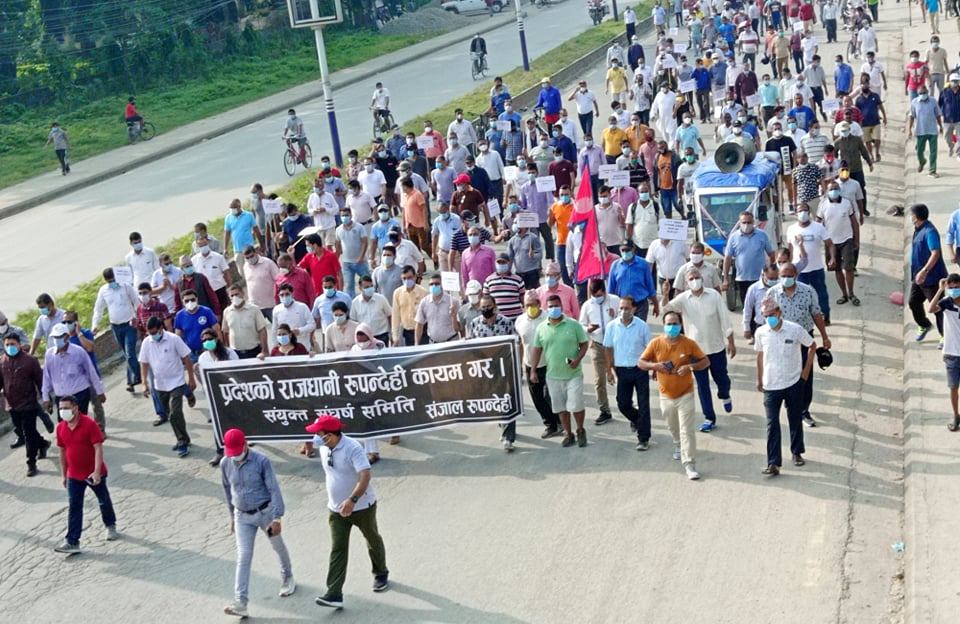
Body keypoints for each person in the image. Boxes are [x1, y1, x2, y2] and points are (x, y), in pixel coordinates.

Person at [306, 415, 389, 610]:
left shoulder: (353, 448)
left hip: (361, 507)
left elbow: (365, 475)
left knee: (372, 538)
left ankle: (380, 572)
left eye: (320, 433)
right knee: (338, 549)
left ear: (331, 435)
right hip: (335, 509)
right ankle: (334, 593)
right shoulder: (323, 444)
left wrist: (352, 500)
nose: (316, 436)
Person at [220, 428, 295, 619]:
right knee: (243, 556)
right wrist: (231, 516)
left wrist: (277, 518)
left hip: (266, 513)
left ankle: (288, 577)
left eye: (238, 451)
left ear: (245, 445)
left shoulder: (262, 461)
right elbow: (228, 491)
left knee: (277, 546)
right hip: (242, 516)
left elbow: (273, 489)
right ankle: (240, 602)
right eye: (232, 452)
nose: (235, 456)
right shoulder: (225, 463)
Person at [638, 311, 710, 480]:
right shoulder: (656, 343)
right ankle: (678, 445)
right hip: (666, 395)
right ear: (664, 325)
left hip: (686, 394)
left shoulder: (688, 344)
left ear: (680, 325)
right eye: (669, 324)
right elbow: (641, 362)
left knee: (687, 430)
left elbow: (705, 361)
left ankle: (689, 463)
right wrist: (656, 366)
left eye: (675, 323)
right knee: (673, 426)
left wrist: (690, 367)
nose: (672, 327)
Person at [663, 268, 736, 432]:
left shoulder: (714, 296)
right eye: (691, 278)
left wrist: (731, 341)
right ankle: (709, 417)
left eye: (697, 277)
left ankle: (725, 395)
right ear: (687, 282)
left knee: (722, 380)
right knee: (702, 386)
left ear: (702, 278)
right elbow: (666, 309)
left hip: (716, 348)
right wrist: (665, 294)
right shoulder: (683, 299)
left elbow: (725, 319)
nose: (695, 280)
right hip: (695, 353)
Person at [764, 262, 831, 427]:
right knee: (784, 372)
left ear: (795, 275)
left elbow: (816, 314)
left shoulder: (807, 291)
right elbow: (767, 317)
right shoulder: (772, 293)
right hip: (781, 340)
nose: (786, 278)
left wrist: (824, 336)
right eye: (783, 275)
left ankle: (804, 410)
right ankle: (789, 404)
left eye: (789, 275)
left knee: (805, 376)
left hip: (804, 340)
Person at [754, 297, 815, 476]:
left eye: (772, 315)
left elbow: (812, 346)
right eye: (766, 316)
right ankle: (773, 462)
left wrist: (805, 372)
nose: (769, 319)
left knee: (794, 418)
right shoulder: (761, 333)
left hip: (793, 381)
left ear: (779, 313)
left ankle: (796, 452)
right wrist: (759, 379)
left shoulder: (794, 330)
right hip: (771, 384)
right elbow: (759, 356)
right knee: (772, 423)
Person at [52, 394, 118, 555]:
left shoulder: (89, 424)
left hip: (93, 473)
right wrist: (64, 475)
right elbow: (62, 452)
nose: (63, 411)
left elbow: (98, 448)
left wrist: (96, 472)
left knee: (103, 500)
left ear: (75, 408)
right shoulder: (60, 428)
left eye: (66, 408)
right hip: (74, 475)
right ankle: (72, 541)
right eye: (61, 409)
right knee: (74, 507)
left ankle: (110, 525)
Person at [529, 294, 590, 448]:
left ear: (561, 307)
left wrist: (577, 360)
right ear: (546, 308)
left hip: (573, 374)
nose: (553, 309)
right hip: (553, 376)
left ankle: (580, 430)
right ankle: (569, 434)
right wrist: (533, 370)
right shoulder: (542, 328)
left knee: (576, 405)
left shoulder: (573, 325)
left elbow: (584, 344)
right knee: (560, 408)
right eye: (550, 306)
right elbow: (536, 350)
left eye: (556, 306)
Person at [140, 317, 196, 457]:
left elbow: (186, 359)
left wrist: (191, 377)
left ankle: (182, 441)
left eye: (155, 332)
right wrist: (144, 383)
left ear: (161, 329)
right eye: (150, 333)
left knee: (175, 412)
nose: (153, 335)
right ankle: (182, 437)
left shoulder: (173, 339)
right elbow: (144, 363)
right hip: (160, 385)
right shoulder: (147, 343)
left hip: (176, 381)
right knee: (169, 414)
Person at [602, 295, 652, 449]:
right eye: (621, 308)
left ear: (634, 309)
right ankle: (638, 420)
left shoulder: (642, 326)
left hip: (640, 369)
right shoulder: (612, 326)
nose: (624, 311)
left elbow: (650, 349)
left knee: (643, 404)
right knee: (623, 403)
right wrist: (609, 370)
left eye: (627, 308)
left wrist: (653, 367)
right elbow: (608, 348)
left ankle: (643, 438)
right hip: (622, 370)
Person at [0, 332, 49, 477]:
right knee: (23, 431)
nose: (10, 347)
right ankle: (42, 443)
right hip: (12, 405)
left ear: (19, 344)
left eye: (12, 344)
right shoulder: (2, 362)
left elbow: (40, 381)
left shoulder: (30, 361)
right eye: (7, 344)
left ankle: (31, 463)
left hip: (28, 403)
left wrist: (45, 398)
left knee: (28, 433)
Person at [579, 279, 620, 426]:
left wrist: (615, 315)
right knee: (599, 380)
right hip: (597, 345)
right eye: (594, 295)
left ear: (604, 291)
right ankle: (605, 410)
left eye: (599, 294)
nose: (597, 298)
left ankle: (627, 402)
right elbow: (581, 324)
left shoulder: (614, 301)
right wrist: (588, 329)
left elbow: (625, 318)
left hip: (615, 345)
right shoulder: (587, 305)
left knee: (622, 375)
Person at [42, 323, 104, 417]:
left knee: (79, 423)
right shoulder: (49, 355)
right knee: (64, 426)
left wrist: (99, 391)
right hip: (61, 397)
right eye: (55, 337)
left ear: (66, 337)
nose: (56, 340)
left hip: (79, 394)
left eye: (59, 337)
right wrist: (46, 398)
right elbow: (46, 377)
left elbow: (91, 372)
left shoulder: (78, 351)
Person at [196, 329, 238, 466]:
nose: (207, 342)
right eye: (204, 340)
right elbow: (202, 376)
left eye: (209, 339)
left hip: (231, 393)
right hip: (214, 395)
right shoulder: (203, 358)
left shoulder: (229, 353)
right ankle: (220, 451)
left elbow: (237, 371)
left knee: (235, 420)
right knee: (217, 423)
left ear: (216, 339)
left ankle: (240, 446)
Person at [910, 203, 949, 343]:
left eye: (912, 214)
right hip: (918, 277)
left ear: (917, 216)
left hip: (931, 278)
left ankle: (944, 335)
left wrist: (924, 271)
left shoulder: (929, 231)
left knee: (938, 308)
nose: (911, 216)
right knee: (913, 302)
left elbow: (935, 253)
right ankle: (924, 324)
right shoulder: (918, 228)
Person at [817, 182, 860, 306]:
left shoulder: (847, 203)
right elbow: (818, 222)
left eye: (836, 189)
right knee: (836, 268)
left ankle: (851, 293)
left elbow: (854, 223)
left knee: (848, 268)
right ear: (827, 191)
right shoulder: (823, 205)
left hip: (847, 240)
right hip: (831, 243)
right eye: (831, 189)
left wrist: (856, 240)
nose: (834, 191)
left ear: (840, 190)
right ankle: (844, 294)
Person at [722, 211, 776, 306]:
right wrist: (726, 278)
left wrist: (771, 272)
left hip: (760, 279)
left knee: (762, 306)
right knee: (747, 306)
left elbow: (771, 254)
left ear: (753, 222)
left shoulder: (762, 235)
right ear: (739, 223)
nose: (746, 225)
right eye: (744, 222)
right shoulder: (734, 237)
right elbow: (728, 258)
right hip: (742, 279)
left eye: (749, 222)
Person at [222, 284, 269, 359]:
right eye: (232, 295)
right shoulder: (227, 312)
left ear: (243, 293)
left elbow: (262, 330)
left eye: (237, 294)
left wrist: (264, 350)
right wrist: (228, 351)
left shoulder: (254, 309)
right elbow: (225, 332)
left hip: (254, 352)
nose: (235, 297)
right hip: (235, 354)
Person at [908, 85, 944, 178]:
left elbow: (938, 115)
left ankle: (932, 170)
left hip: (932, 130)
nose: (923, 95)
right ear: (918, 93)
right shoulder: (914, 102)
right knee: (919, 151)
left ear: (927, 92)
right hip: (920, 131)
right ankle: (922, 161)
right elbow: (911, 117)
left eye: (924, 93)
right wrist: (909, 130)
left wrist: (940, 126)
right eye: (920, 93)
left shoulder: (933, 101)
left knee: (933, 152)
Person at [415, 274, 460, 344]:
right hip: (433, 344)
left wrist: (453, 317)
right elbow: (419, 324)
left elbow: (458, 328)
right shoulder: (424, 302)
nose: (434, 286)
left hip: (451, 342)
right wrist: (416, 344)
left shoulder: (453, 302)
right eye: (431, 284)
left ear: (442, 285)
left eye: (437, 284)